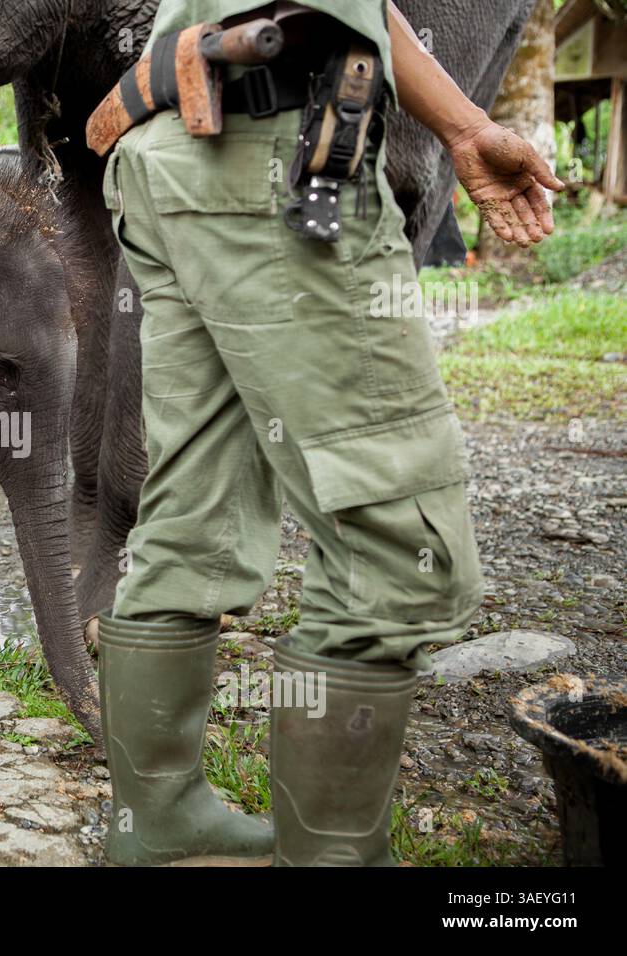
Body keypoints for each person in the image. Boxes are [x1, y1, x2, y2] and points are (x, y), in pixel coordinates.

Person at [98, 0, 563, 866]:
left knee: (194, 508)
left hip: (172, 153)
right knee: (398, 544)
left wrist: (462, 129)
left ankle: (156, 827)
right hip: (282, 160)